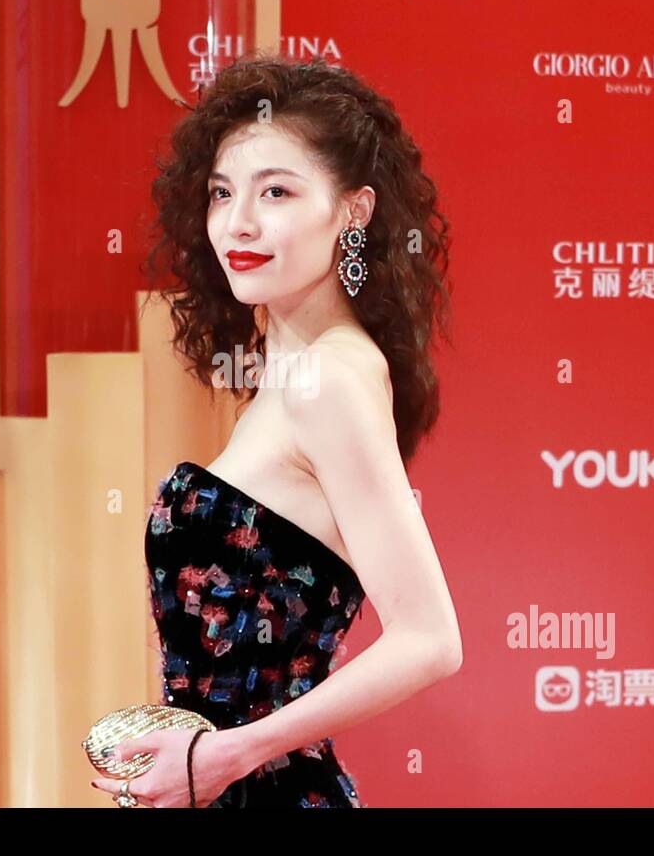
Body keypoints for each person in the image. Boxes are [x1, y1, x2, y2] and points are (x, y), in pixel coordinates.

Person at [91, 54, 463, 807]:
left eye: (278, 193)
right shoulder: (287, 376)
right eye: (223, 193)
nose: (240, 222)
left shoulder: (332, 377)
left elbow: (430, 639)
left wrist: (225, 756)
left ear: (352, 212)